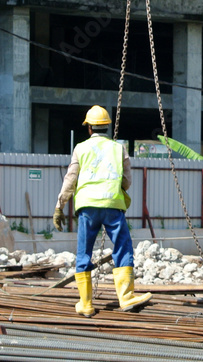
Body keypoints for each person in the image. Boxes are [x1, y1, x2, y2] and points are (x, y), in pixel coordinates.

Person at [54, 105, 151, 317]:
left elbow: (70, 179)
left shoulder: (80, 148)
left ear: (88, 128)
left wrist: (59, 206)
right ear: (107, 126)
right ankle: (125, 297)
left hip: (87, 207)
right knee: (123, 247)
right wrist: (116, 191)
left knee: (84, 252)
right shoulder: (119, 149)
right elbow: (127, 180)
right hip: (113, 206)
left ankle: (86, 304)